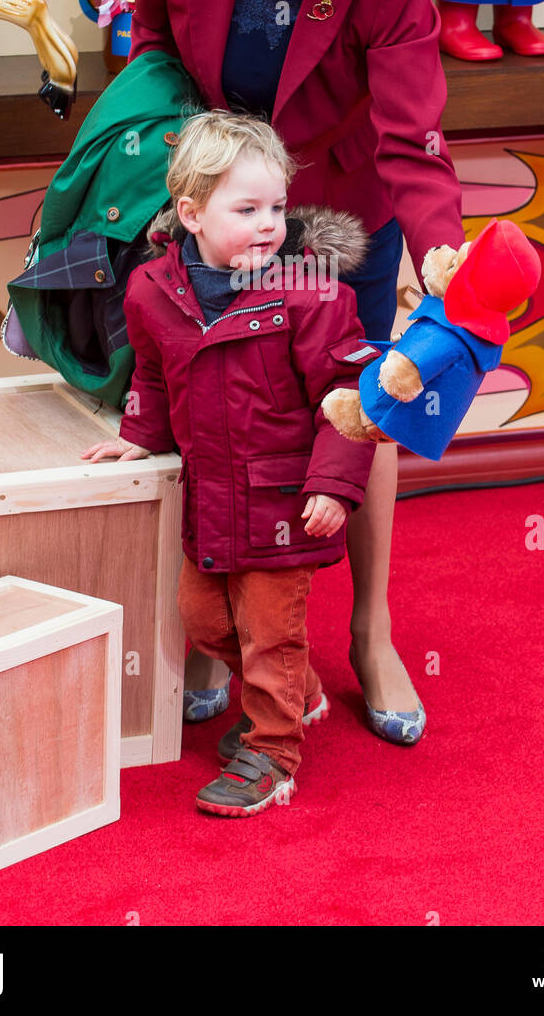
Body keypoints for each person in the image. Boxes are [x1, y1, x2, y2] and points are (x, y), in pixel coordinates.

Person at [126, 0, 465, 743]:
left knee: (354, 402)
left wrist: (440, 250)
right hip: (218, 197)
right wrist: (172, 178)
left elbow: (413, 131)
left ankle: (369, 629)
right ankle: (208, 618)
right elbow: (152, 45)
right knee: (200, 390)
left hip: (340, 205)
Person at [81, 111, 377, 815]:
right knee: (206, 623)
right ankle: (298, 693)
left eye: (276, 206)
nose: (269, 223)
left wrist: (333, 484)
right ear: (191, 213)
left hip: (283, 503)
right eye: (246, 209)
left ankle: (272, 752)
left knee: (270, 633)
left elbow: (346, 394)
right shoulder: (153, 292)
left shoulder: (315, 294)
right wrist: (140, 434)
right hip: (210, 501)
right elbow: (152, 377)